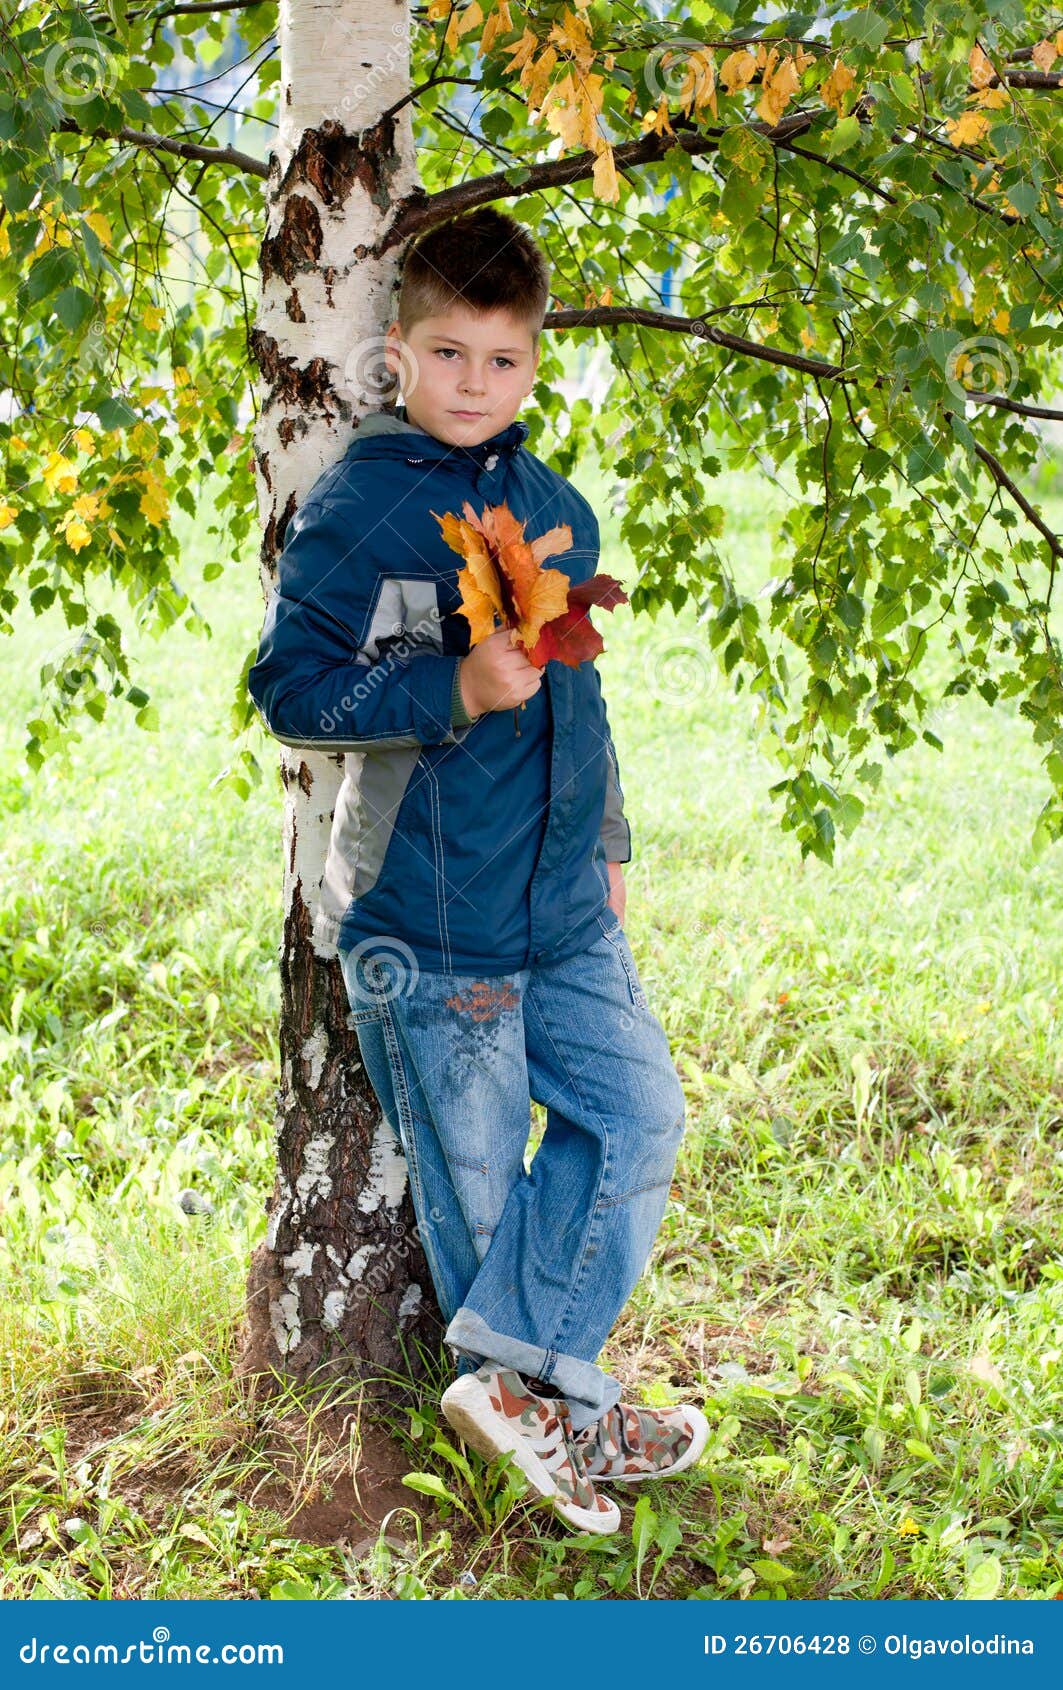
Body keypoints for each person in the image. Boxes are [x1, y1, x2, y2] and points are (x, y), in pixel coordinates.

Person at [246, 206, 707, 1536]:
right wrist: (450, 680)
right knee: (482, 1181)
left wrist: (609, 845)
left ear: (533, 367)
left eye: (501, 361)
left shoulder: (553, 506)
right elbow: (291, 689)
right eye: (448, 354)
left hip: (562, 911)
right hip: (430, 930)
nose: (473, 385)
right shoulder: (363, 510)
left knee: (638, 1117)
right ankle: (548, 1415)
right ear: (397, 355)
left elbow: (582, 697)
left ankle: (538, 1388)